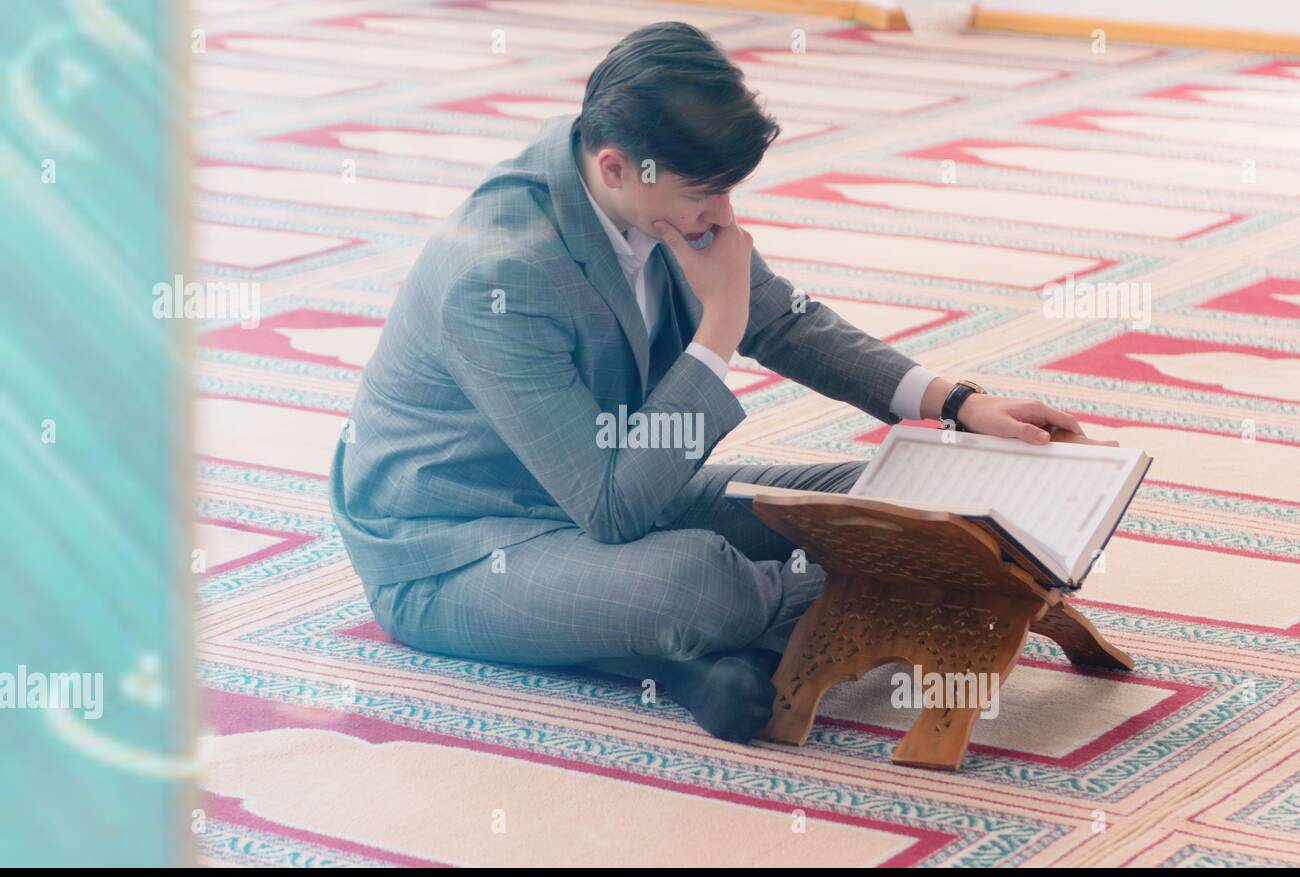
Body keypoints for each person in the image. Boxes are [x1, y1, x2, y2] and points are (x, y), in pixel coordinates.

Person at [328, 21, 1088, 743]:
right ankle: (746, 635)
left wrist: (958, 403)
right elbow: (611, 509)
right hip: (458, 548)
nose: (724, 217)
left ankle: (704, 663)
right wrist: (719, 320)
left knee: (895, 494)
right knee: (697, 583)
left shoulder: (647, 186)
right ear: (616, 168)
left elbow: (786, 322)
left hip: (618, 488)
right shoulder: (495, 276)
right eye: (706, 194)